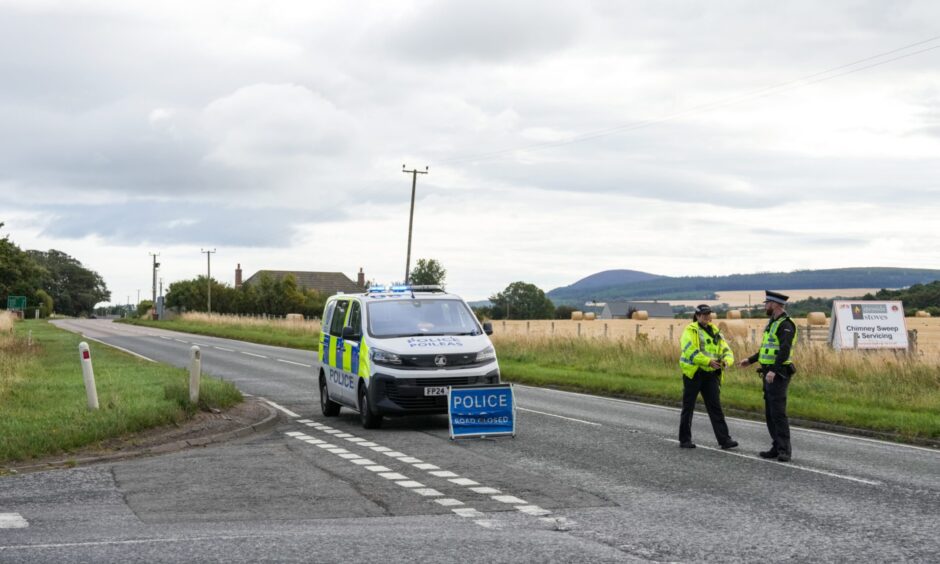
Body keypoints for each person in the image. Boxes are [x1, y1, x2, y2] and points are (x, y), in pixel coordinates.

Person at [739, 291, 798, 462]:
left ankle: (784, 450)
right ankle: (776, 446)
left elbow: (784, 350)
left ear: (775, 304)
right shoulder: (772, 323)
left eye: (767, 303)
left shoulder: (786, 325)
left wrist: (773, 370)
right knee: (770, 413)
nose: (765, 306)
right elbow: (766, 349)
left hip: (778, 374)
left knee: (778, 413)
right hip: (768, 373)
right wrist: (750, 360)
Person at [678, 304, 738, 449]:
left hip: (711, 374)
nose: (707, 317)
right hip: (694, 373)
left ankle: (724, 440)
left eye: (709, 314)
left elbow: (726, 350)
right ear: (697, 316)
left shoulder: (715, 330)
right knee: (689, 407)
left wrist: (726, 361)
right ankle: (685, 440)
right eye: (704, 314)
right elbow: (689, 350)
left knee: (715, 407)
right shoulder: (691, 330)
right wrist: (707, 361)